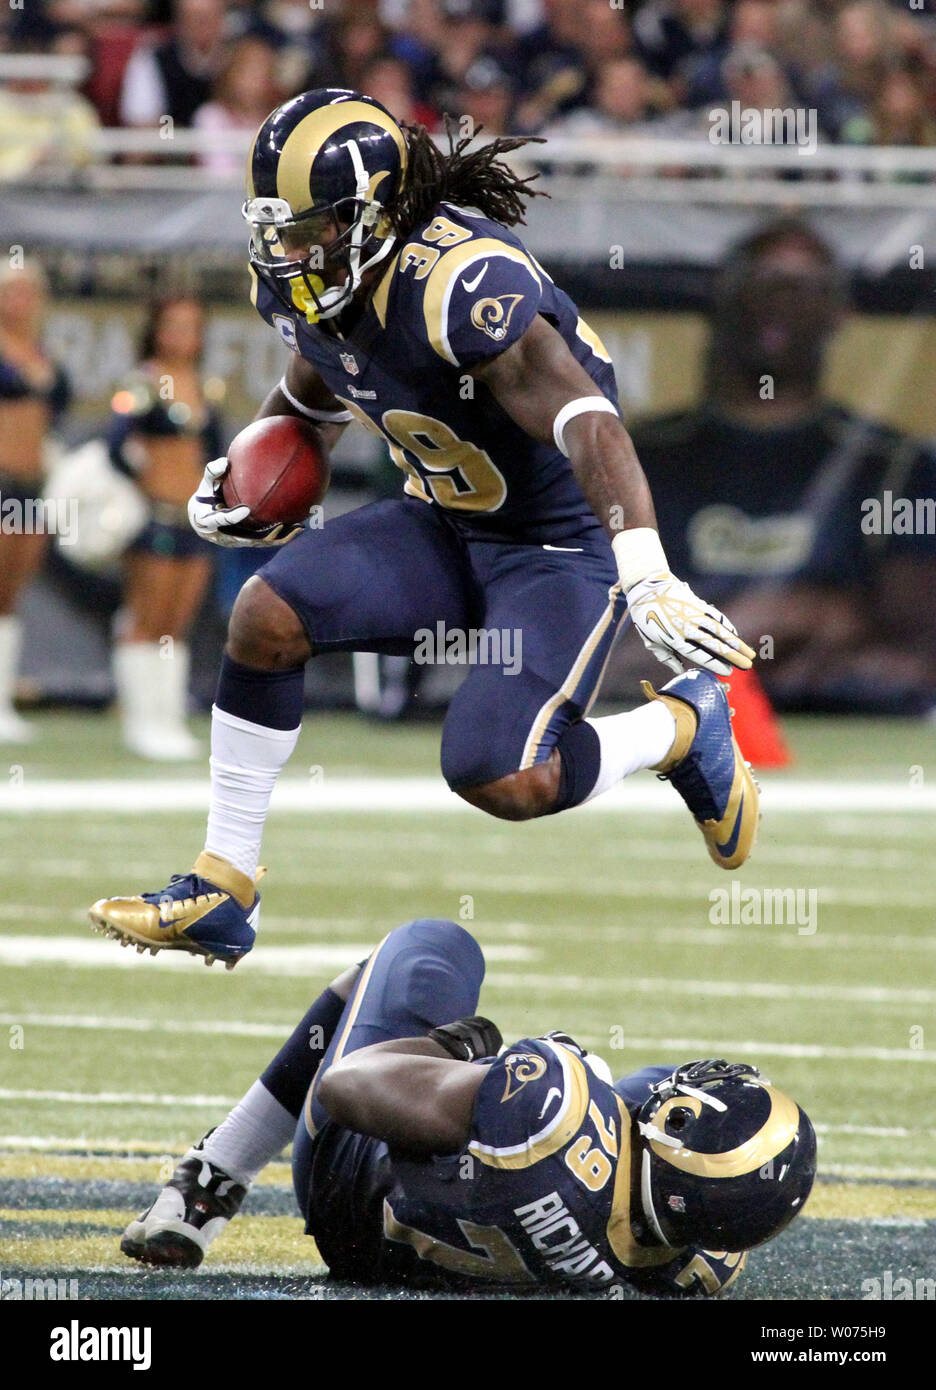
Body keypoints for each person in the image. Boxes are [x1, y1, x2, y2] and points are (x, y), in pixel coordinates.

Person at [89, 89, 757, 969]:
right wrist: (261, 463)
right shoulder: (315, 279)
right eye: (276, 227)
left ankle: (679, 726)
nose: (288, 249)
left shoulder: (459, 283)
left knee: (502, 775)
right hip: (445, 518)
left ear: (373, 213)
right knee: (266, 616)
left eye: (310, 228)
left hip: (556, 540)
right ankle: (225, 882)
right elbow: (317, 380)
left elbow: (589, 421)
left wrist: (643, 565)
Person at [120, 918, 816, 1294]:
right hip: (407, 1261)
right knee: (637, 1090)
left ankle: (210, 1180)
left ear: (683, 1130)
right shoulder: (701, 1266)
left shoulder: (546, 1107)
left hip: (350, 1186)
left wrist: (458, 1052)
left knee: (430, 950)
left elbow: (348, 1086)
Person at [626, 217, 936, 716]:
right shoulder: (639, 457)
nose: (781, 301)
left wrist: (815, 637)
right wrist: (791, 616)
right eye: (762, 281)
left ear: (841, 314)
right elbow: (599, 644)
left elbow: (916, 651)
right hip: (661, 729)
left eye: (804, 287)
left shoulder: (895, 468)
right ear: (719, 301)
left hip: (849, 747)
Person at [107, 295, 222, 759]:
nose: (183, 336)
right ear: (155, 330)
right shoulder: (141, 382)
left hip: (193, 519)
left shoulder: (205, 386)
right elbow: (116, 444)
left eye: (192, 326)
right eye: (173, 326)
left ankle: (169, 718)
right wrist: (147, 481)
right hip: (155, 514)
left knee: (178, 623)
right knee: (146, 618)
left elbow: (216, 451)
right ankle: (140, 721)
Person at [0, 260, 71, 743]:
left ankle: (3, 701)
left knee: (11, 592)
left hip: (31, 481)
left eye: (28, 293)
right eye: (11, 293)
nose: (19, 303)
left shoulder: (43, 352)